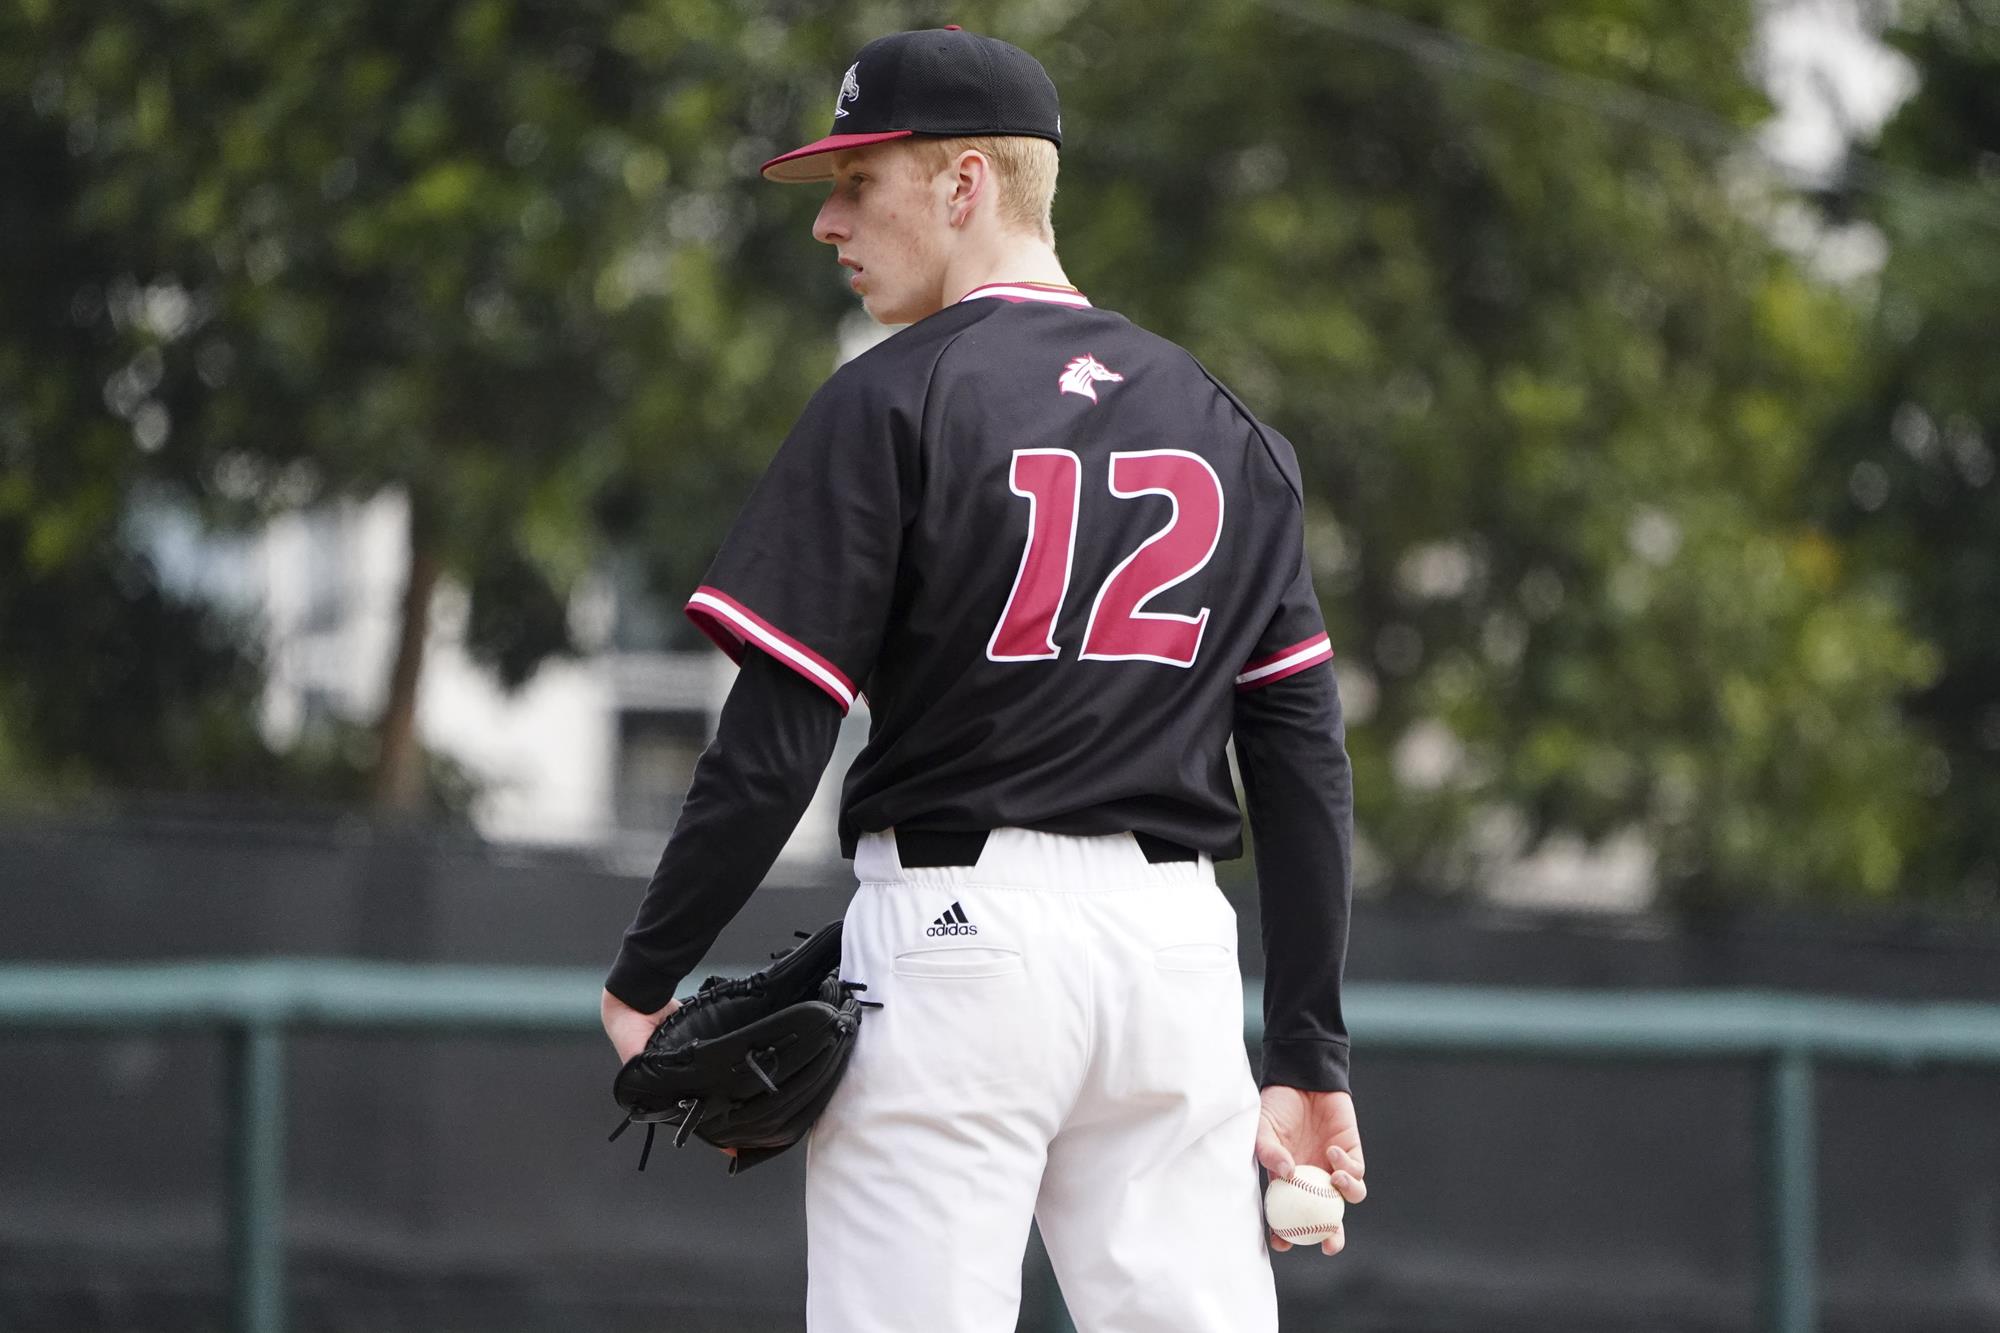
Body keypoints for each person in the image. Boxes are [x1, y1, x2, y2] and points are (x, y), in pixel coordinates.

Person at [601, 26, 1364, 1332]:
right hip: (1173, 960)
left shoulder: (891, 398)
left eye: (860, 180)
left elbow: (775, 745)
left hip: (961, 944)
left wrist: (645, 978)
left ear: (965, 186)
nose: (830, 220)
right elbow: (1299, 762)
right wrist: (1304, 1052)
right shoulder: (1230, 428)